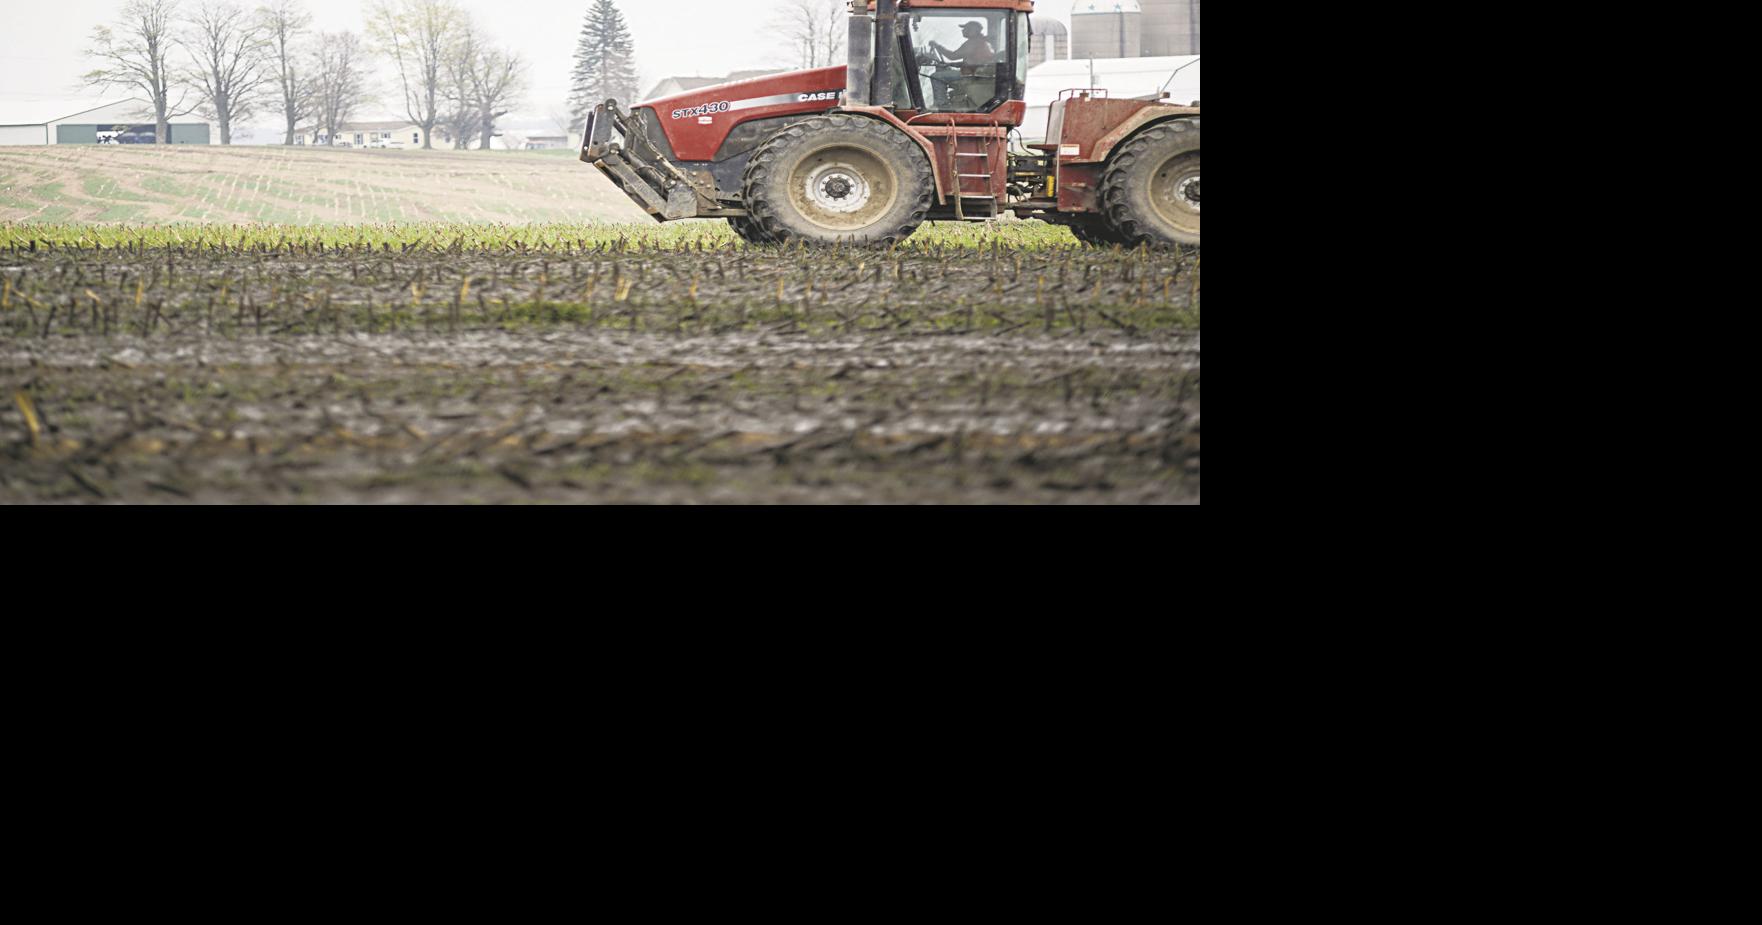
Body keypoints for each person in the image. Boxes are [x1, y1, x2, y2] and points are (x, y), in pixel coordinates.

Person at [930, 21, 997, 75]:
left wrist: (937, 46)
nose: (963, 30)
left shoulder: (973, 43)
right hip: (977, 73)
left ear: (972, 30)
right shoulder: (982, 41)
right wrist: (949, 64)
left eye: (965, 28)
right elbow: (972, 62)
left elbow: (952, 56)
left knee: (937, 76)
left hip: (972, 75)